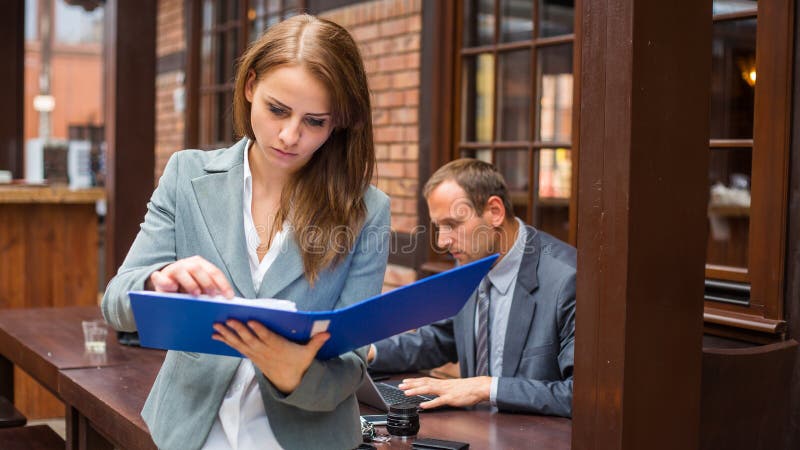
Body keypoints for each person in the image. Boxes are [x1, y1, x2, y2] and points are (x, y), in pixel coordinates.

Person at [102, 15, 389, 450]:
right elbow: (116, 303)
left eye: (315, 121)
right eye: (277, 110)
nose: (290, 136)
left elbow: (351, 364)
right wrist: (158, 281)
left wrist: (294, 373)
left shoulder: (367, 210)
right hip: (191, 433)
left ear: (340, 123)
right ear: (250, 85)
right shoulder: (187, 175)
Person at [368, 158, 576, 417]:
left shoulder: (567, 279)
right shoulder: (471, 261)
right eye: (438, 227)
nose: (442, 241)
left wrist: (487, 387)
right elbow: (444, 337)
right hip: (475, 432)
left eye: (452, 225)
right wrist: (371, 353)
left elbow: (578, 395)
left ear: (495, 211)